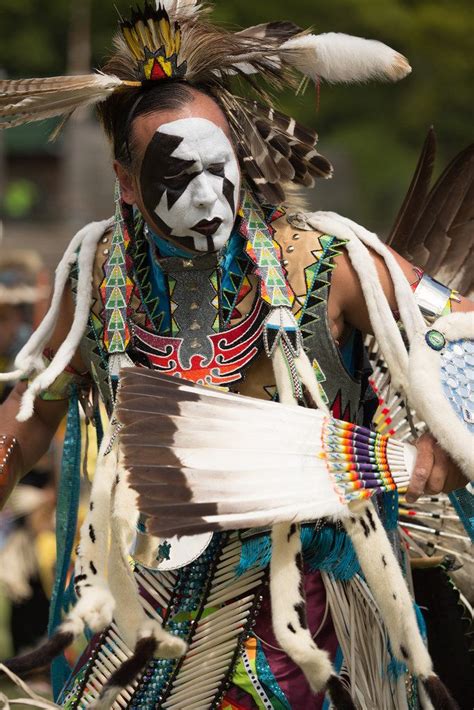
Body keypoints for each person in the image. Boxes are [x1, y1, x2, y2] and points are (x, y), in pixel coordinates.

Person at [0, 3, 472, 708]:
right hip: (147, 603)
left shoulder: (326, 259)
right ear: (125, 181)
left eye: (217, 167)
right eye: (173, 174)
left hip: (309, 614)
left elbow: (461, 331)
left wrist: (445, 427)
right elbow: (31, 413)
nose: (205, 195)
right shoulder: (95, 279)